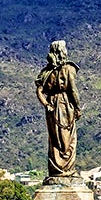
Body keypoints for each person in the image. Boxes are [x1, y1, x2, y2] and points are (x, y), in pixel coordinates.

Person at [35, 40, 82, 178]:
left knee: (55, 138)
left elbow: (39, 91)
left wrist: (47, 104)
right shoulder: (68, 69)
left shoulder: (46, 72)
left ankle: (57, 169)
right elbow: (73, 90)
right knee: (67, 138)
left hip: (52, 105)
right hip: (65, 104)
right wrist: (78, 108)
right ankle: (66, 170)